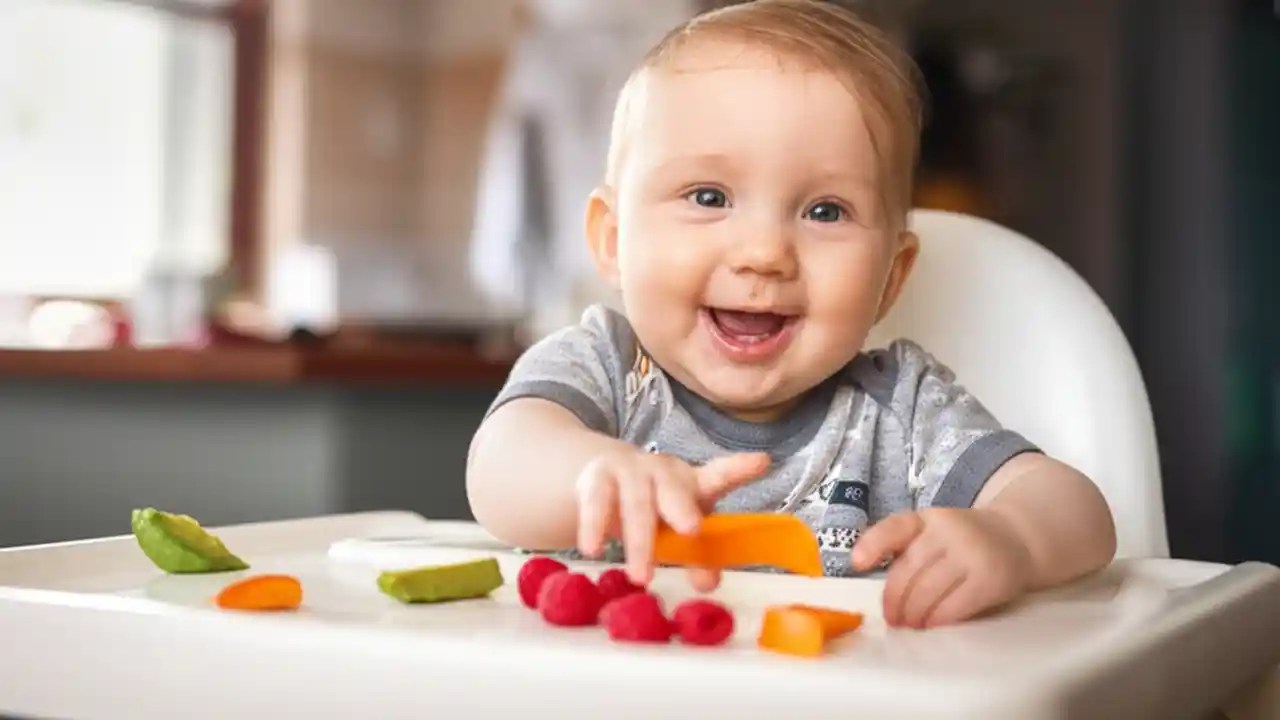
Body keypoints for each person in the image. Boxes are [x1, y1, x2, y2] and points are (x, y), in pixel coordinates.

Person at [466, 0, 1116, 629]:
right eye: (709, 196)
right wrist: (592, 475)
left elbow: (1078, 511)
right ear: (613, 240)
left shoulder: (903, 410)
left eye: (825, 211)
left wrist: (1010, 538)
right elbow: (498, 468)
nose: (764, 254)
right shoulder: (608, 369)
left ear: (890, 277)